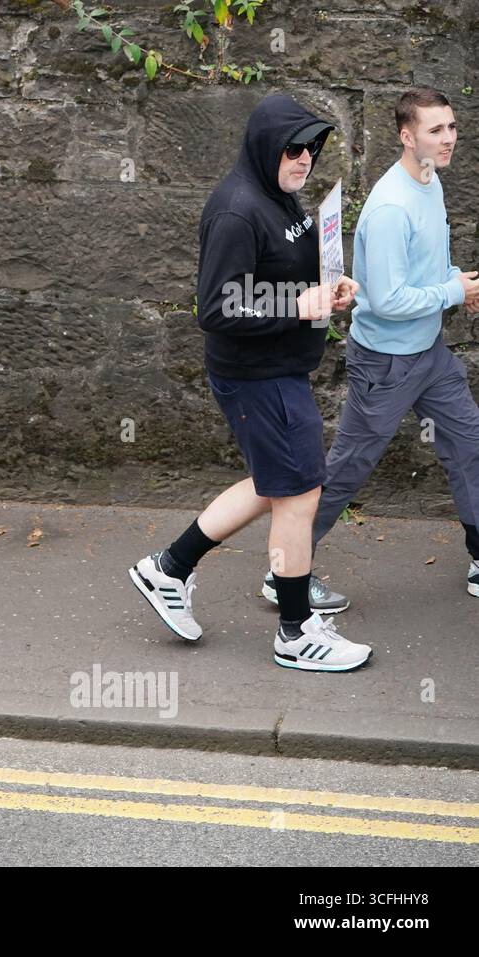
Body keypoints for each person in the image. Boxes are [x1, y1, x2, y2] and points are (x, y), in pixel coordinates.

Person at [128, 95, 373, 672]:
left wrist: (330, 288)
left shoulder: (279, 194)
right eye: (294, 148)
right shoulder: (237, 210)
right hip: (259, 377)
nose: (305, 159)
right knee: (300, 491)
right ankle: (295, 631)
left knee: (276, 483)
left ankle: (169, 568)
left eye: (314, 148)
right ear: (266, 147)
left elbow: (284, 270)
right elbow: (215, 307)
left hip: (279, 371)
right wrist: (298, 303)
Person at [269, 88, 479, 604]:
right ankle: (284, 574)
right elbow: (385, 300)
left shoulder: (430, 181)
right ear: (407, 137)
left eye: (451, 127)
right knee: (346, 470)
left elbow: (421, 270)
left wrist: (456, 280)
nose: (448, 138)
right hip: (385, 364)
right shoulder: (390, 206)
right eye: (436, 130)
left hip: (429, 354)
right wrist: (454, 291)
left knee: (469, 444)